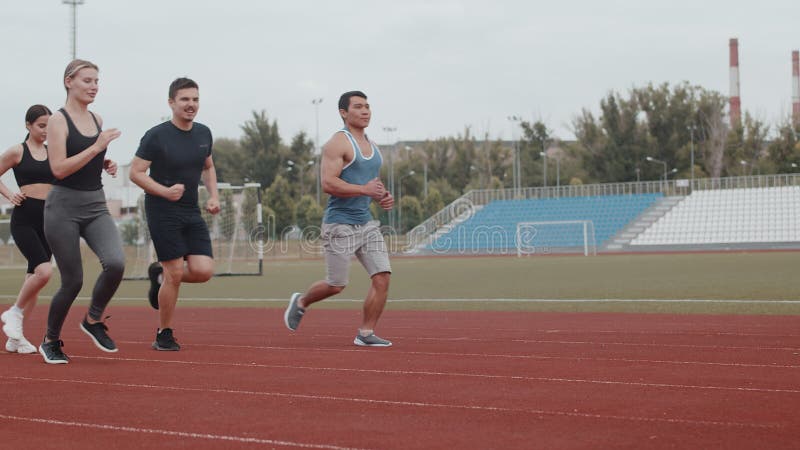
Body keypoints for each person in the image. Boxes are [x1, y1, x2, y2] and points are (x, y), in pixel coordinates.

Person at [284, 90, 395, 347]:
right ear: (343, 113)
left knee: (382, 277)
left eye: (367, 106)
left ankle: (365, 334)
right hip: (339, 223)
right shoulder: (337, 143)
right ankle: (301, 301)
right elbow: (328, 183)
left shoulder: (374, 147)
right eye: (358, 106)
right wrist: (364, 190)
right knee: (336, 285)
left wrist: (382, 195)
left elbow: (370, 184)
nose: (365, 111)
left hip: (366, 223)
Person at [39, 59, 125, 364]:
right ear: (68, 82)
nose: (94, 87)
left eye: (97, 81)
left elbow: (88, 159)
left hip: (95, 203)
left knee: (115, 263)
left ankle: (93, 319)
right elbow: (59, 169)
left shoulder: (97, 119)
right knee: (72, 280)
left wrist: (105, 162)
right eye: (87, 80)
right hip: (62, 207)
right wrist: (96, 147)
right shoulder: (57, 121)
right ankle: (50, 340)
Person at [129, 77, 220, 352]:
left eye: (195, 99)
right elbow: (135, 173)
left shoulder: (204, 133)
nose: (191, 104)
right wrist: (163, 191)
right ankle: (164, 333)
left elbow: (208, 167)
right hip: (162, 210)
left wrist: (214, 195)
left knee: (204, 271)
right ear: (171, 102)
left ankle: (158, 275)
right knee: (176, 272)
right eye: (185, 99)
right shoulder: (156, 135)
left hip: (191, 210)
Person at [0, 105, 54, 354]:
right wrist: (10, 194)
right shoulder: (17, 151)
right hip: (24, 219)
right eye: (41, 125)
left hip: (49, 220)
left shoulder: (54, 152)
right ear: (28, 125)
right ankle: (13, 313)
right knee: (44, 272)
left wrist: (104, 162)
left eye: (49, 126)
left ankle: (16, 338)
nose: (46, 130)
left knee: (32, 281)